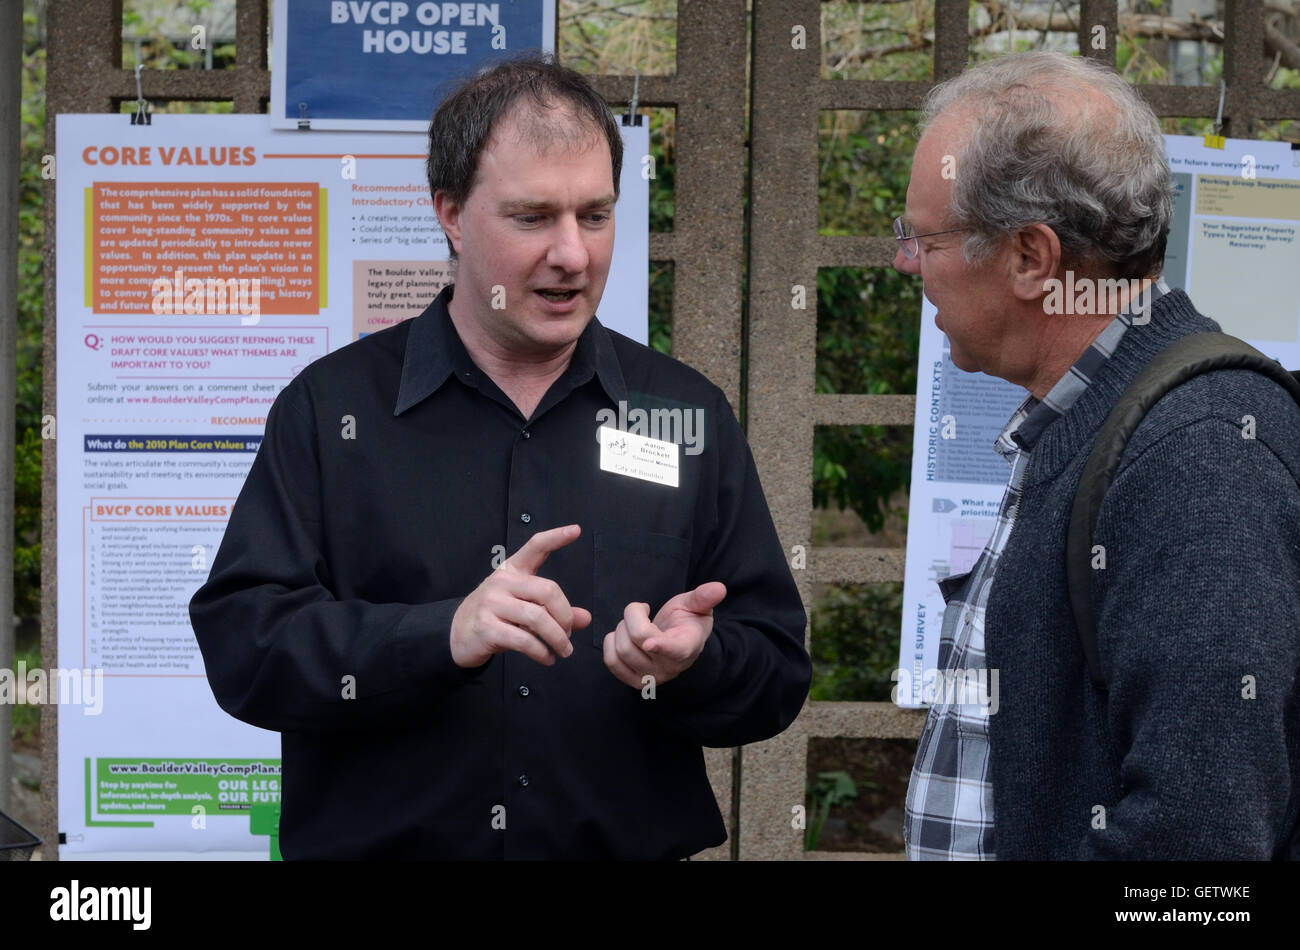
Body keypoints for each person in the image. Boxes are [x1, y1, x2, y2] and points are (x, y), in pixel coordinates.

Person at [189, 53, 810, 860]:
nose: (573, 255)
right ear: (450, 213)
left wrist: (692, 663)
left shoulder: (682, 412)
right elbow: (244, 647)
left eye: (594, 215)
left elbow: (776, 670)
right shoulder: (332, 410)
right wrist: (438, 635)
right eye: (531, 217)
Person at [895, 51, 1300, 859]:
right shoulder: (1094, 415)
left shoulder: (1199, 452)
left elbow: (1200, 843)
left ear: (1030, 258)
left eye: (924, 238)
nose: (908, 262)